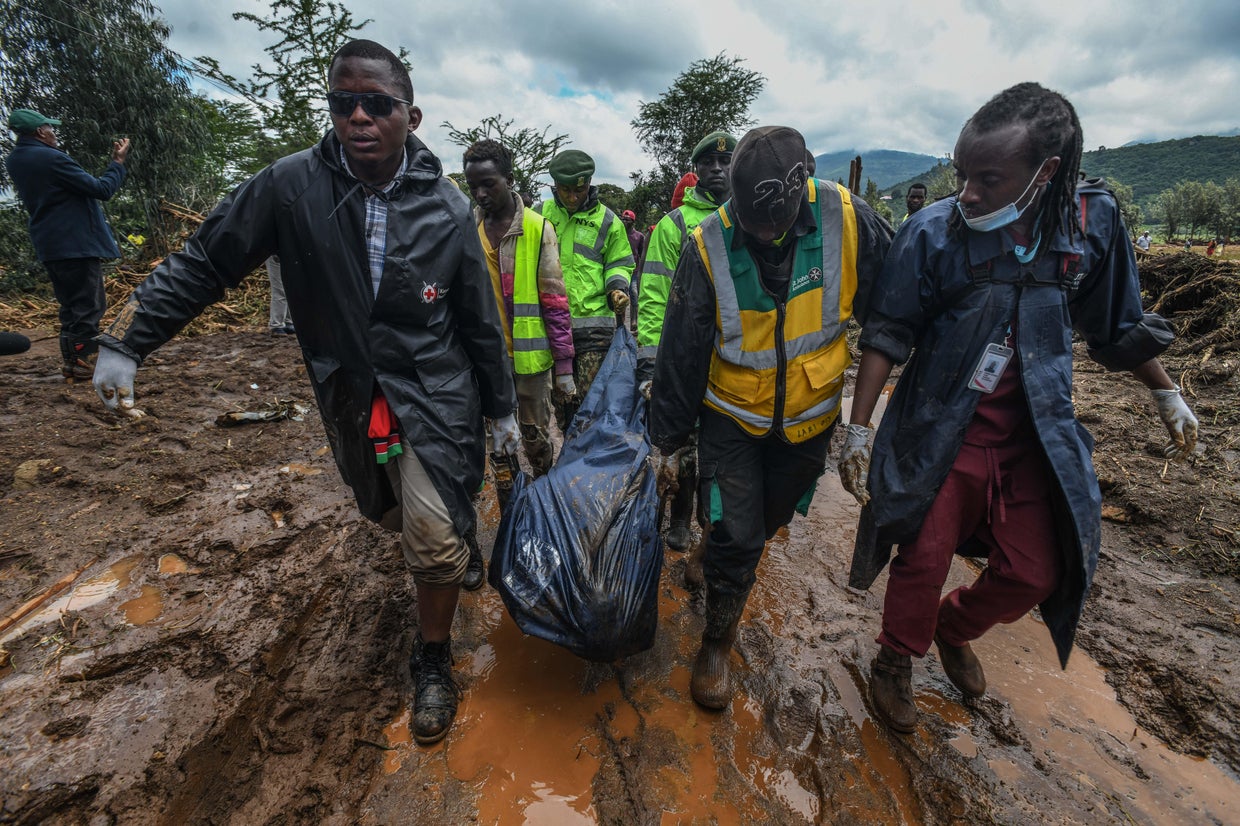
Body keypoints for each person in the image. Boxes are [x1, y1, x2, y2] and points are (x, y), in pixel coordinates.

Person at [92, 39, 519, 746]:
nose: (358, 116)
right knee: (388, 517)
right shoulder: (290, 187)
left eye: (376, 104)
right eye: (343, 101)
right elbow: (208, 261)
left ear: (409, 117)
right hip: (350, 388)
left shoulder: (445, 207)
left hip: (438, 392)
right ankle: (443, 537)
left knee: (435, 541)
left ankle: (433, 656)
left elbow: (477, 318)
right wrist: (128, 340)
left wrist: (502, 409)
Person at [838, 82, 1200, 734]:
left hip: (1034, 435)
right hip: (940, 429)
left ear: (1047, 173)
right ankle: (896, 657)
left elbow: (1115, 325)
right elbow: (887, 333)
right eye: (960, 173)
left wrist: (1166, 391)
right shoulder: (934, 233)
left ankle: (954, 627)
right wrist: (858, 430)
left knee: (1039, 568)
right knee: (922, 555)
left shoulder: (1091, 226)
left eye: (987, 178)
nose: (967, 192)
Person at [650, 126, 892, 710]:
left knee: (768, 521)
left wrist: (863, 426)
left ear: (800, 190)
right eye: (748, 225)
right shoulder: (707, 245)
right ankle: (717, 643)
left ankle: (717, 551)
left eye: (771, 228)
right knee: (740, 531)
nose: (760, 238)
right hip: (732, 417)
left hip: (809, 418)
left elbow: (890, 312)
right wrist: (670, 442)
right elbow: (681, 350)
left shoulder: (847, 219)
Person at [462, 138, 575, 587]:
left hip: (530, 361)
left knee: (533, 437)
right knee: (498, 444)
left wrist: (564, 366)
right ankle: (512, 521)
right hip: (483, 362)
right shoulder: (466, 227)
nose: (481, 194)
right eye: (474, 186)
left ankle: (544, 502)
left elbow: (554, 299)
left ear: (509, 180)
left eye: (488, 184)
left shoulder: (536, 227)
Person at [638, 130, 737, 557]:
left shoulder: (751, 217)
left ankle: (710, 526)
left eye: (725, 161)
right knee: (682, 440)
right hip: (684, 355)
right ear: (695, 171)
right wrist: (651, 359)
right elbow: (654, 295)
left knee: (725, 443)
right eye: (708, 164)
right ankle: (679, 518)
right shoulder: (673, 225)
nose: (717, 169)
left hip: (734, 356)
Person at [4, 109, 130, 381]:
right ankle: (83, 362)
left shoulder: (15, 159)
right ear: (40, 132)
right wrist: (117, 163)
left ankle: (72, 362)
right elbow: (101, 189)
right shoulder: (51, 158)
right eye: (51, 129)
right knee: (89, 304)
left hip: (50, 243)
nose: (54, 134)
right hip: (76, 242)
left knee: (70, 305)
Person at [536, 149, 635, 432]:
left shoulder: (608, 221)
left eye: (578, 190)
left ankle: (591, 460)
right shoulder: (540, 215)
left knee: (592, 403)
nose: (571, 197)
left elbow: (619, 263)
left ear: (589, 182)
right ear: (555, 185)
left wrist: (617, 288)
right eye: (565, 190)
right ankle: (571, 463)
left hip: (594, 330)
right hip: (551, 328)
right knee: (564, 405)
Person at [265, 255, 294, 335]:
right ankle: (276, 325)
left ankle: (287, 322)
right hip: (275, 253)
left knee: (289, 288)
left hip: (285, 253)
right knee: (279, 290)